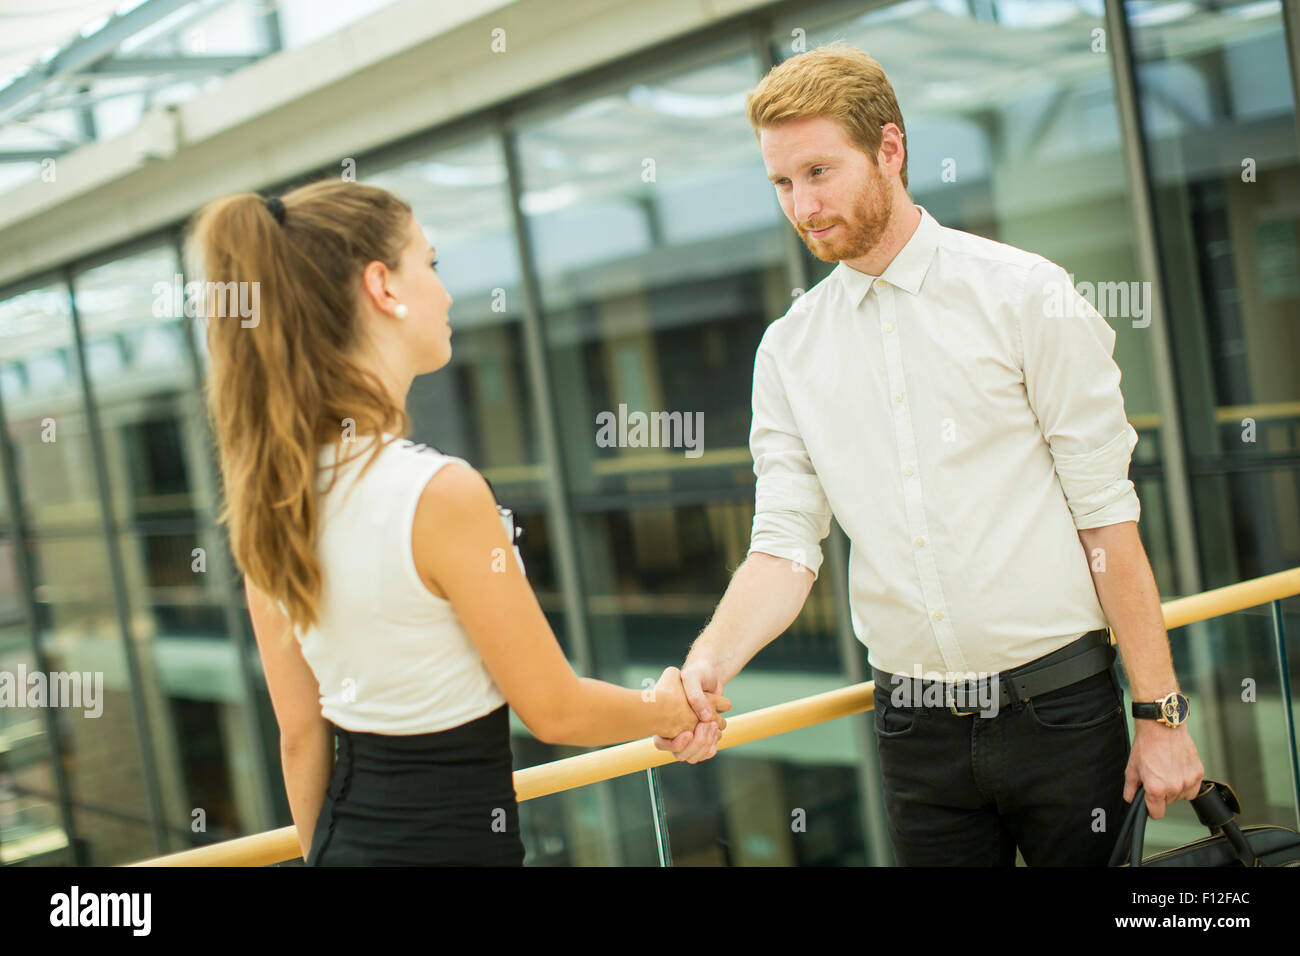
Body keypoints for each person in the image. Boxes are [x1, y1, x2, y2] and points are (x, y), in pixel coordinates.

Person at [653, 41, 1204, 866]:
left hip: (1060, 707)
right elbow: (784, 545)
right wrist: (705, 665)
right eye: (781, 183)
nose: (802, 206)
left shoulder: (1026, 295)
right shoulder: (788, 351)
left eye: (818, 171)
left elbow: (1104, 518)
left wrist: (1160, 718)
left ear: (890, 148)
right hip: (912, 729)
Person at [188, 179, 729, 866]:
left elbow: (301, 738)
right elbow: (555, 709)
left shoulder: (274, 502)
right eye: (431, 264)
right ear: (383, 286)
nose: (444, 292)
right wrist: (673, 710)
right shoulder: (438, 494)